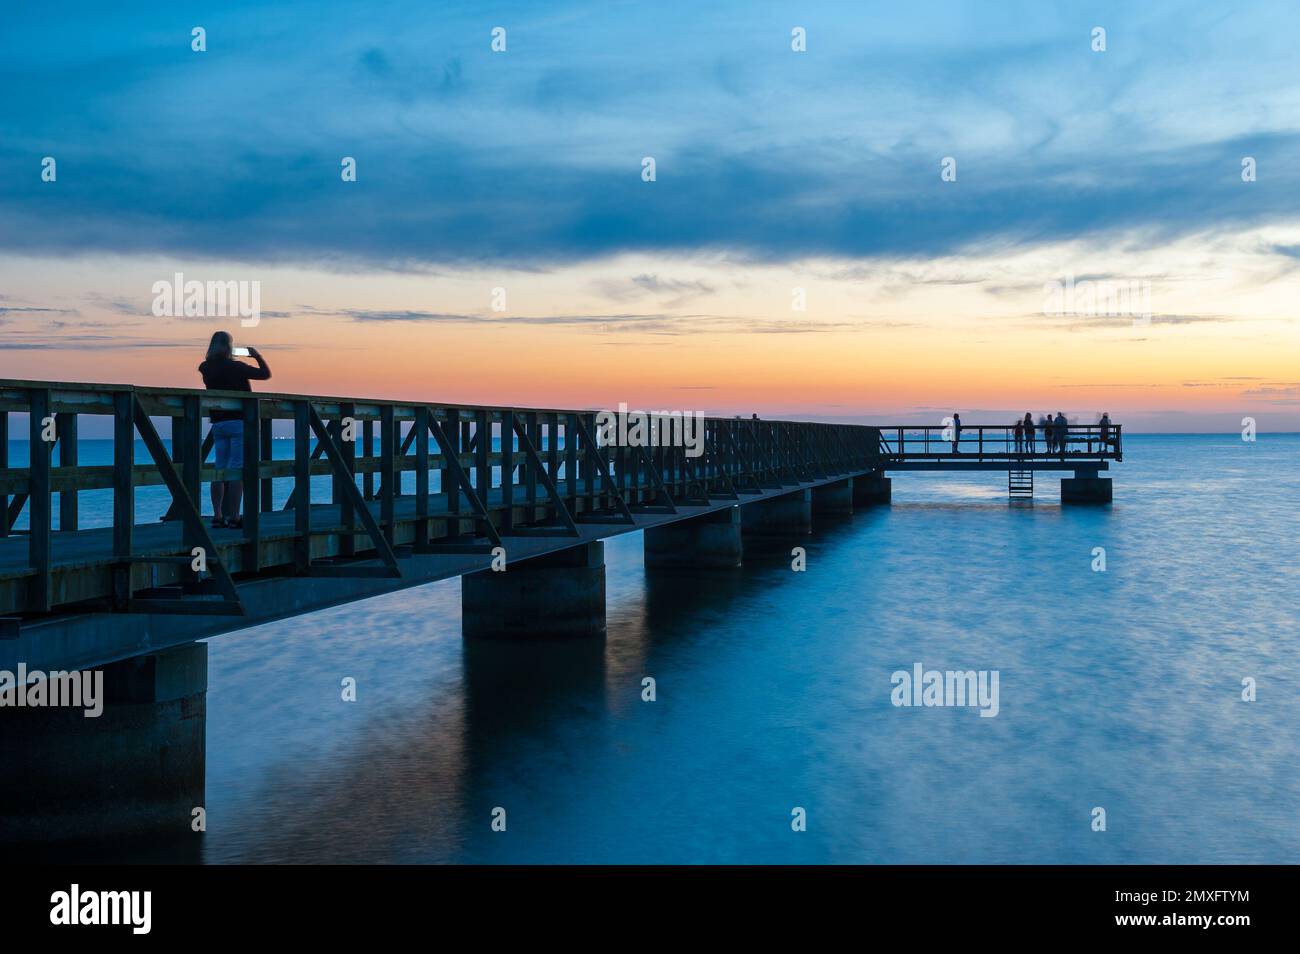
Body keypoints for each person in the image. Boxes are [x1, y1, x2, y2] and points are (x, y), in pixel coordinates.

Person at [198, 332, 271, 528]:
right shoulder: (236, 367)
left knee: (219, 468)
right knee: (237, 469)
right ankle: (235, 516)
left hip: (218, 423)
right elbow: (265, 374)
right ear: (229, 347)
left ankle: (218, 515)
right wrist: (257, 356)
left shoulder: (205, 368)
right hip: (238, 421)